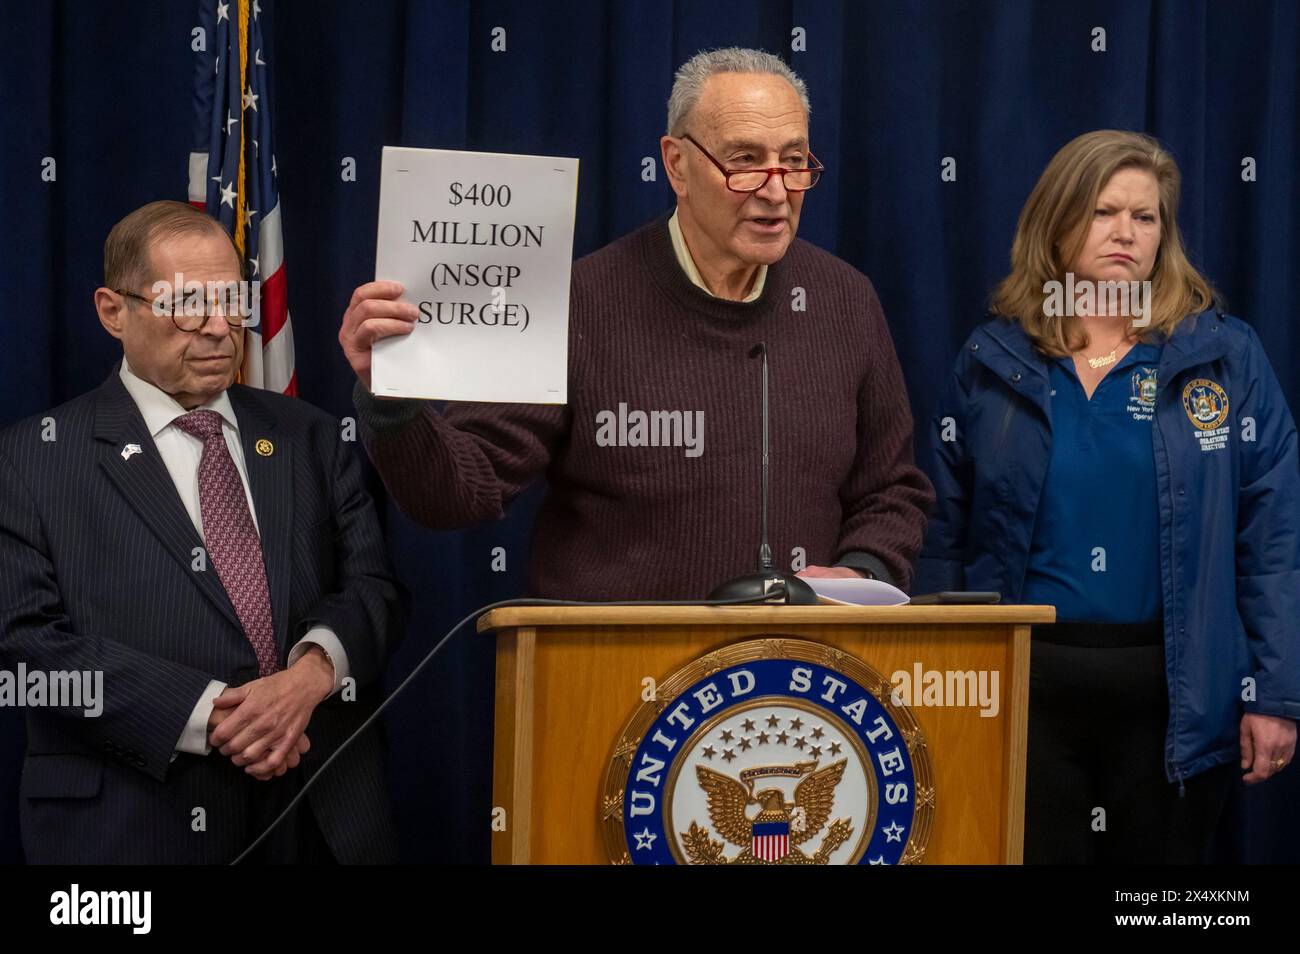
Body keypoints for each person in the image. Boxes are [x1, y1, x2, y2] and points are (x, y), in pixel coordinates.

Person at [340, 47, 933, 599]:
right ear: (676, 164)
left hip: (789, 687)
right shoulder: (579, 302)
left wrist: (860, 575)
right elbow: (461, 491)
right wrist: (390, 395)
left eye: (794, 163)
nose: (777, 191)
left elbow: (891, 492)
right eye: (746, 162)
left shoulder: (846, 301)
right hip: (613, 686)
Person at [917, 130, 1300, 863]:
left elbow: (1272, 540)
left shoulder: (1224, 356)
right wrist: (940, 682)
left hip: (1176, 699)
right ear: (1056, 223)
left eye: (1146, 216)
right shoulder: (991, 359)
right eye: (1102, 212)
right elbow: (943, 533)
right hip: (1026, 694)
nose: (1126, 232)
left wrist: (1275, 694)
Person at [0, 200, 407, 863]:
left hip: (321, 818)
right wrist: (215, 714)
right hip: (133, 827)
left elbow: (375, 589)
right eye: (190, 304)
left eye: (233, 301)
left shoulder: (308, 434)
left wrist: (309, 675)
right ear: (113, 311)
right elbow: (22, 644)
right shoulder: (30, 460)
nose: (221, 329)